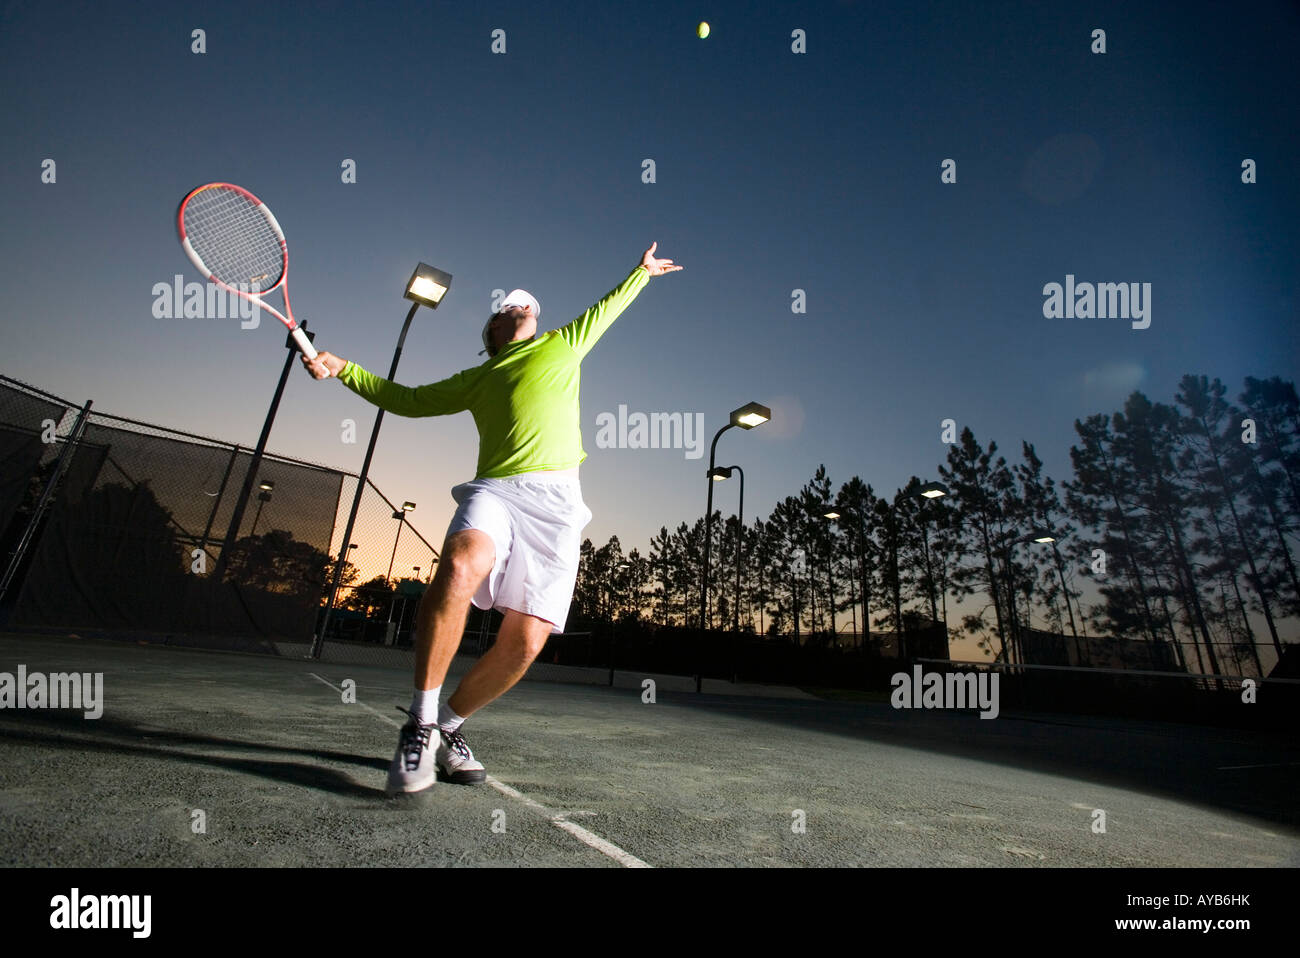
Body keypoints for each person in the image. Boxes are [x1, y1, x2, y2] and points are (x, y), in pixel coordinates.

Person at [302, 242, 682, 794]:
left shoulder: (563, 344)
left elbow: (608, 307)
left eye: (528, 305)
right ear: (493, 332)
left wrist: (641, 273)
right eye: (509, 307)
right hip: (497, 491)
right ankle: (422, 721)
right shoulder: (478, 377)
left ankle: (449, 729)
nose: (522, 308)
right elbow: (405, 399)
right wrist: (343, 369)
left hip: (557, 504)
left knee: (527, 642)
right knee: (460, 566)